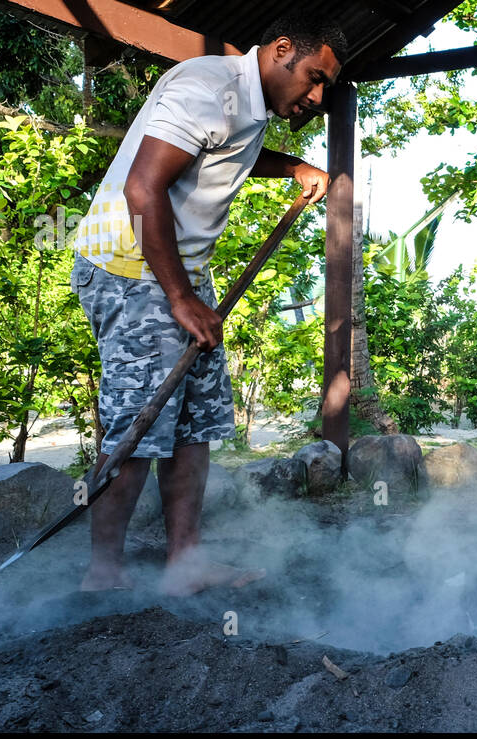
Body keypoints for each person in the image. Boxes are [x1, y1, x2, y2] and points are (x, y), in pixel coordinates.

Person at [69, 16, 346, 595]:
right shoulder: (206, 88)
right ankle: (103, 575)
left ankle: (184, 563)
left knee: (194, 425)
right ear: (281, 50)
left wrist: (291, 166)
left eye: (325, 88)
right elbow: (142, 187)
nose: (317, 98)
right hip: (131, 269)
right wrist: (179, 296)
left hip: (181, 275)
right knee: (136, 429)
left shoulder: (246, 107)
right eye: (315, 79)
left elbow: (228, 152)